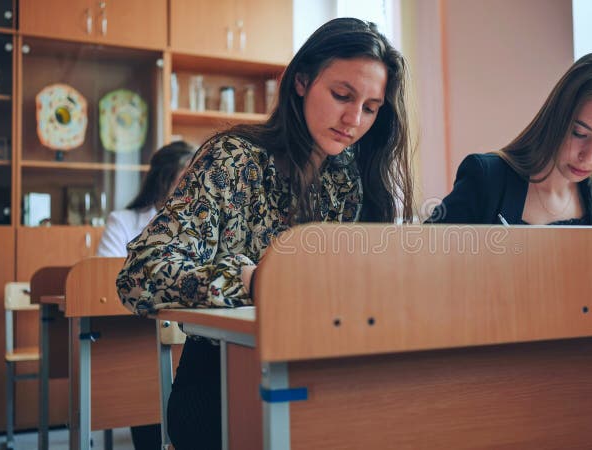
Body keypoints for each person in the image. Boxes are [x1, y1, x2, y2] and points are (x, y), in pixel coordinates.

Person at [116, 18, 415, 450]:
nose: (353, 119)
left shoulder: (352, 176)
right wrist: (253, 281)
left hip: (327, 371)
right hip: (224, 379)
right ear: (301, 81)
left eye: (370, 108)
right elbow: (140, 274)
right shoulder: (233, 159)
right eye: (342, 95)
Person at [428, 51, 592, 227]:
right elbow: (424, 261)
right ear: (556, 117)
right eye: (579, 133)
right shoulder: (487, 177)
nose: (589, 157)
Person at [96, 140, 193, 450]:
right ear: (163, 179)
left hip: (188, 335)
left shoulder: (198, 222)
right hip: (136, 334)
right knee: (145, 396)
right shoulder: (124, 221)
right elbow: (106, 280)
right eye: (185, 177)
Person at [97, 141, 195, 258]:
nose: (192, 187)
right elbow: (108, 268)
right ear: (162, 179)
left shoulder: (201, 226)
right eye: (185, 178)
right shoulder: (121, 223)